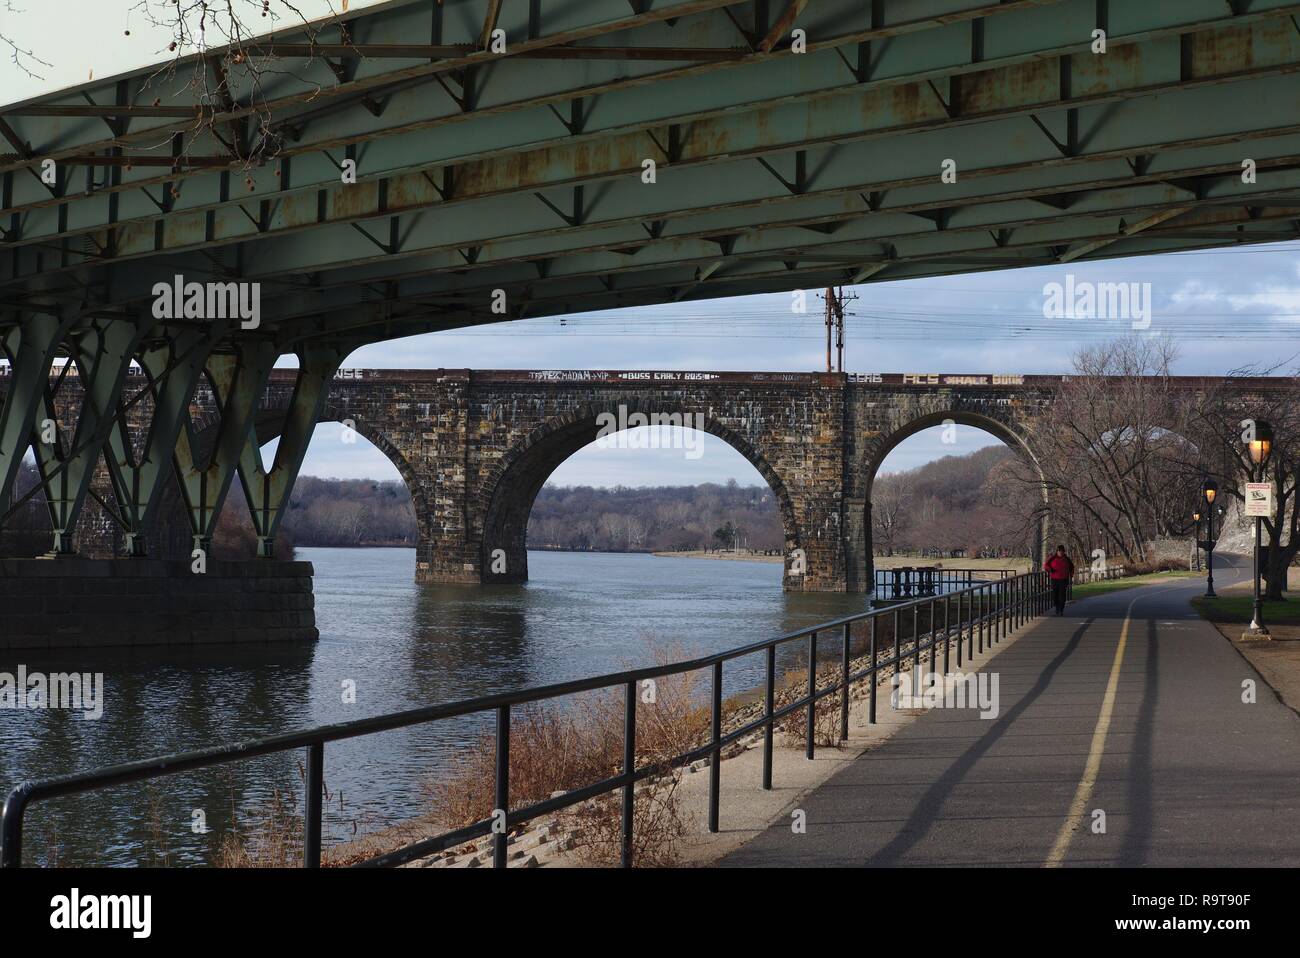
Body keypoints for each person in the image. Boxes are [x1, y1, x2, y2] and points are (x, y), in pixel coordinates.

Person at [1044, 545, 1074, 616]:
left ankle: (1061, 609)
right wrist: (1050, 569)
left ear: (1064, 552)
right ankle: (1057, 607)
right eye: (1059, 551)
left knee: (1062, 595)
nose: (1060, 552)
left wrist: (1071, 574)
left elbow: (1071, 567)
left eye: (1062, 551)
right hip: (1054, 579)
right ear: (1057, 551)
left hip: (1064, 579)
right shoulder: (1052, 558)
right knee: (1055, 595)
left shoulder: (1067, 559)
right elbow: (1045, 565)